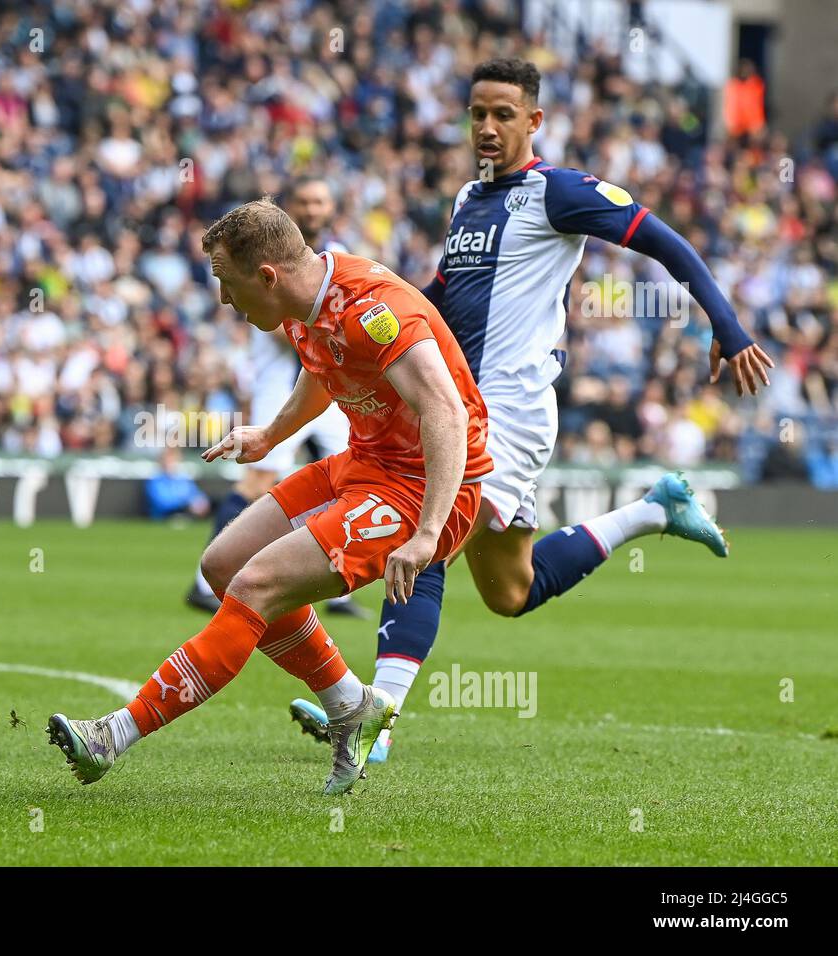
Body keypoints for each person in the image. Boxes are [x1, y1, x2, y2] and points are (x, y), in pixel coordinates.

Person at [288, 57, 775, 764]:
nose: (487, 127)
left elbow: (669, 245)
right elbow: (443, 295)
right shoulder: (466, 201)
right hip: (461, 408)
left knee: (424, 544)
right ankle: (655, 511)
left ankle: (374, 720)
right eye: (477, 114)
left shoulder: (559, 193)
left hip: (507, 412)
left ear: (534, 121)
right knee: (511, 592)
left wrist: (728, 330)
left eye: (504, 114)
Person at [48, 198, 492, 794]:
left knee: (257, 586)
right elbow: (323, 366)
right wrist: (271, 435)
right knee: (222, 566)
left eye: (228, 285)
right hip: (366, 464)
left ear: (266, 276)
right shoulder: (308, 304)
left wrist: (429, 532)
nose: (225, 301)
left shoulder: (375, 310)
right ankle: (352, 707)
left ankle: (114, 735)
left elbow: (445, 411)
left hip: (426, 487)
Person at [185, 176, 364, 619]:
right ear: (293, 210)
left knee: (350, 479)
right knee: (258, 481)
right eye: (305, 201)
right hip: (283, 382)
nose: (314, 208)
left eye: (320, 200)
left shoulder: (336, 254)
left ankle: (338, 587)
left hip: (329, 377)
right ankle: (205, 582)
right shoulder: (266, 253)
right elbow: (287, 322)